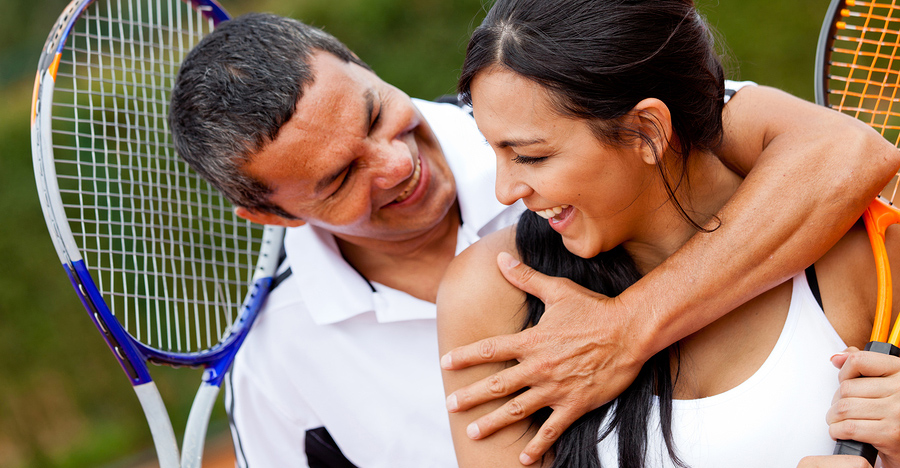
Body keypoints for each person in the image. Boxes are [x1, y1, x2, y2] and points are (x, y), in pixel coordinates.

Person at [167, 12, 899, 468]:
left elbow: (845, 156)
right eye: (338, 178)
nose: (399, 164)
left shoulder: (575, 100)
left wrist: (628, 331)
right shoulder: (282, 372)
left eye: (375, 116)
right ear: (273, 216)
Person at [437, 0, 900, 467]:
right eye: (493, 149)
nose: (504, 192)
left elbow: (853, 150)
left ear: (647, 131)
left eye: (532, 156)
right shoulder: (490, 293)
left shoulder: (862, 256)